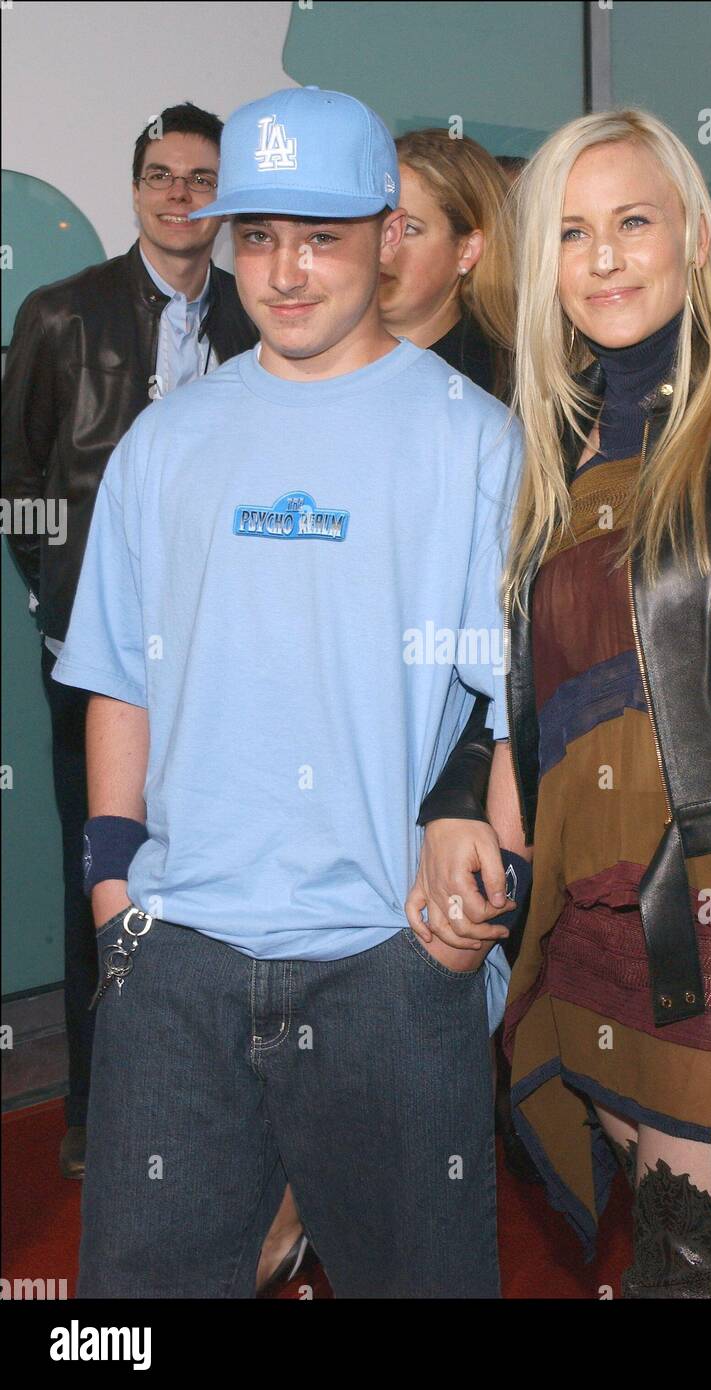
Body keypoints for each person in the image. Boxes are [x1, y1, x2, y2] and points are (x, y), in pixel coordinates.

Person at [52, 84, 522, 1299]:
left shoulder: (477, 442)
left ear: (385, 230)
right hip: (178, 965)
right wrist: (118, 907)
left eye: (322, 237)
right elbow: (117, 678)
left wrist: (481, 906)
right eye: (258, 236)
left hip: (388, 966)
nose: (287, 271)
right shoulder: (167, 440)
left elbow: (515, 706)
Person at [410, 107, 711, 1298]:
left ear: (692, 242)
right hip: (589, 918)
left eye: (631, 223)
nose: (604, 257)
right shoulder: (539, 447)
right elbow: (515, 680)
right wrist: (459, 796)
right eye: (570, 231)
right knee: (664, 1254)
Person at [1, 101, 256, 1182]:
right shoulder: (61, 315)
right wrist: (75, 603)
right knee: (99, 875)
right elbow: (20, 488)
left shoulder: (266, 316)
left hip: (240, 654)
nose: (180, 195)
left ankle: (233, 1100)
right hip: (100, 661)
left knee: (225, 871)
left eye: (202, 178)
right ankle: (97, 1109)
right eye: (162, 175)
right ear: (135, 186)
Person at [379, 129, 514, 399]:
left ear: (467, 250)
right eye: (373, 224)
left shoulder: (499, 391)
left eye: (408, 230)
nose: (382, 247)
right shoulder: (299, 357)